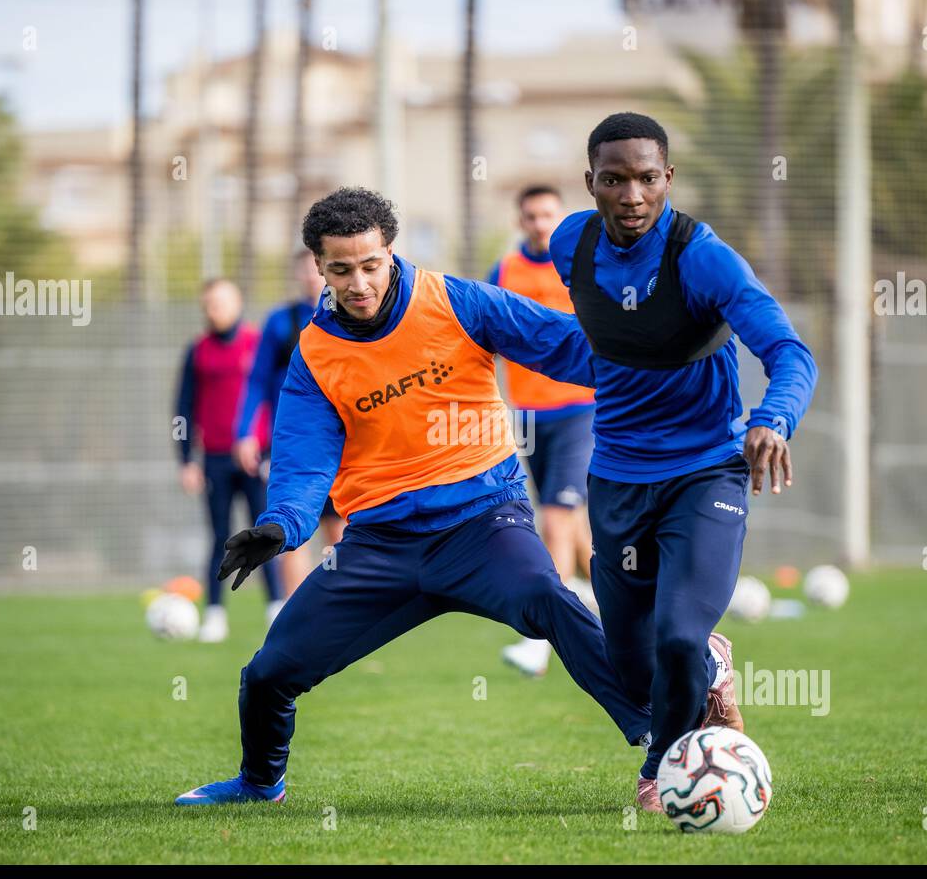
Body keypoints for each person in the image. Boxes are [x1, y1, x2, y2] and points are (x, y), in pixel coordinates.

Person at [175, 187, 650, 806]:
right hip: (379, 546)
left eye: (370, 265)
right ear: (318, 267)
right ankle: (260, 784)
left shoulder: (456, 301)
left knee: (546, 597)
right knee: (268, 673)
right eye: (341, 269)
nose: (359, 283)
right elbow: (303, 462)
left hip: (485, 524)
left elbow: (565, 346)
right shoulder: (315, 355)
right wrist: (282, 525)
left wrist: (651, 353)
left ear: (390, 252)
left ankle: (663, 741)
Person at [549, 113, 818, 813]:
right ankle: (713, 670)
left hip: (707, 471)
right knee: (633, 665)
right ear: (592, 184)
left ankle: (661, 769)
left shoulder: (703, 258)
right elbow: (604, 338)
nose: (632, 194)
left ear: (667, 179)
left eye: (647, 178)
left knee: (675, 638)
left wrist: (772, 420)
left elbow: (790, 354)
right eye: (614, 179)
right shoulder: (568, 244)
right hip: (615, 476)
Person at [488, 184, 598, 678]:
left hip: (581, 408)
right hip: (529, 415)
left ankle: (541, 641)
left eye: (548, 214)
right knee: (572, 526)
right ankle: (633, 604)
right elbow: (482, 333)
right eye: (531, 216)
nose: (540, 223)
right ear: (520, 220)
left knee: (555, 514)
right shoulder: (505, 272)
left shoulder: (581, 265)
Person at [233, 249, 343, 611]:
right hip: (291, 444)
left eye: (320, 270)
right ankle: (296, 610)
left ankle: (336, 604)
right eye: (307, 271)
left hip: (341, 443)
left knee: (337, 527)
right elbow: (257, 380)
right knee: (289, 528)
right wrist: (245, 432)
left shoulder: (349, 317)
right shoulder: (280, 322)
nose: (314, 277)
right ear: (300, 275)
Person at [174, 278, 283, 642]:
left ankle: (276, 609)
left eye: (221, 302)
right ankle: (216, 614)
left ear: (237, 304)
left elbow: (276, 398)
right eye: (208, 304)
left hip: (256, 458)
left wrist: (272, 451)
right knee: (220, 536)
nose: (214, 310)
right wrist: (187, 460)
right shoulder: (198, 350)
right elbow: (183, 407)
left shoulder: (258, 344)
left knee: (265, 533)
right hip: (216, 460)